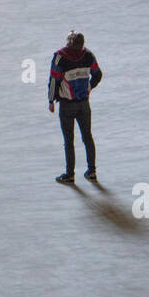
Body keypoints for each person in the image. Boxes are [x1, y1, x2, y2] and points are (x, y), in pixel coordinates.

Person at [48, 31, 102, 185]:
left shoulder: (60, 57)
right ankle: (91, 171)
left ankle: (70, 174)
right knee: (87, 137)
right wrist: (89, 87)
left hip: (67, 105)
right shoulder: (88, 56)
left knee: (69, 140)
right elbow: (98, 74)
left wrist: (51, 100)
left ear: (69, 43)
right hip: (84, 103)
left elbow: (54, 80)